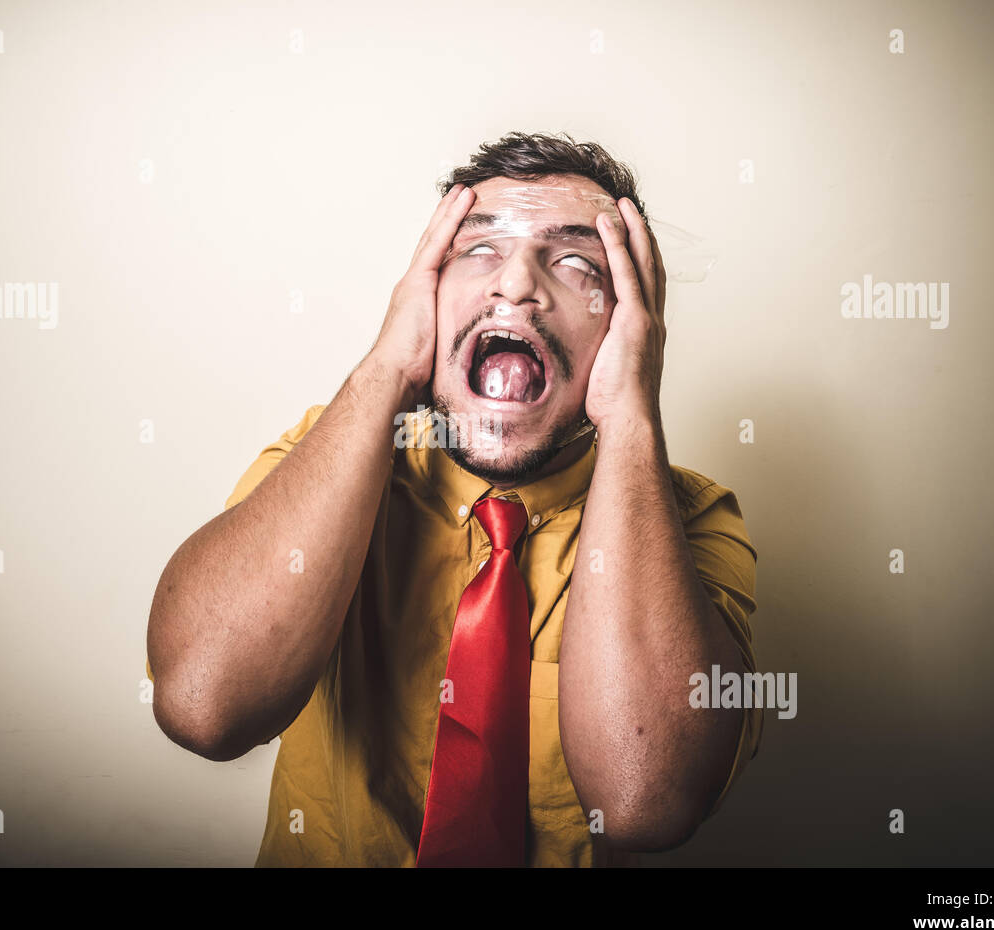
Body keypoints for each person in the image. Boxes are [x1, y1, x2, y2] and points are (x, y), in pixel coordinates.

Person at [145, 131, 761, 867]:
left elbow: (645, 800)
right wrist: (387, 366)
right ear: (426, 294)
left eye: (572, 260)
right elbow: (203, 706)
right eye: (479, 251)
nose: (516, 284)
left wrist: (632, 414)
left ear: (626, 321)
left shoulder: (690, 521)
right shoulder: (331, 454)